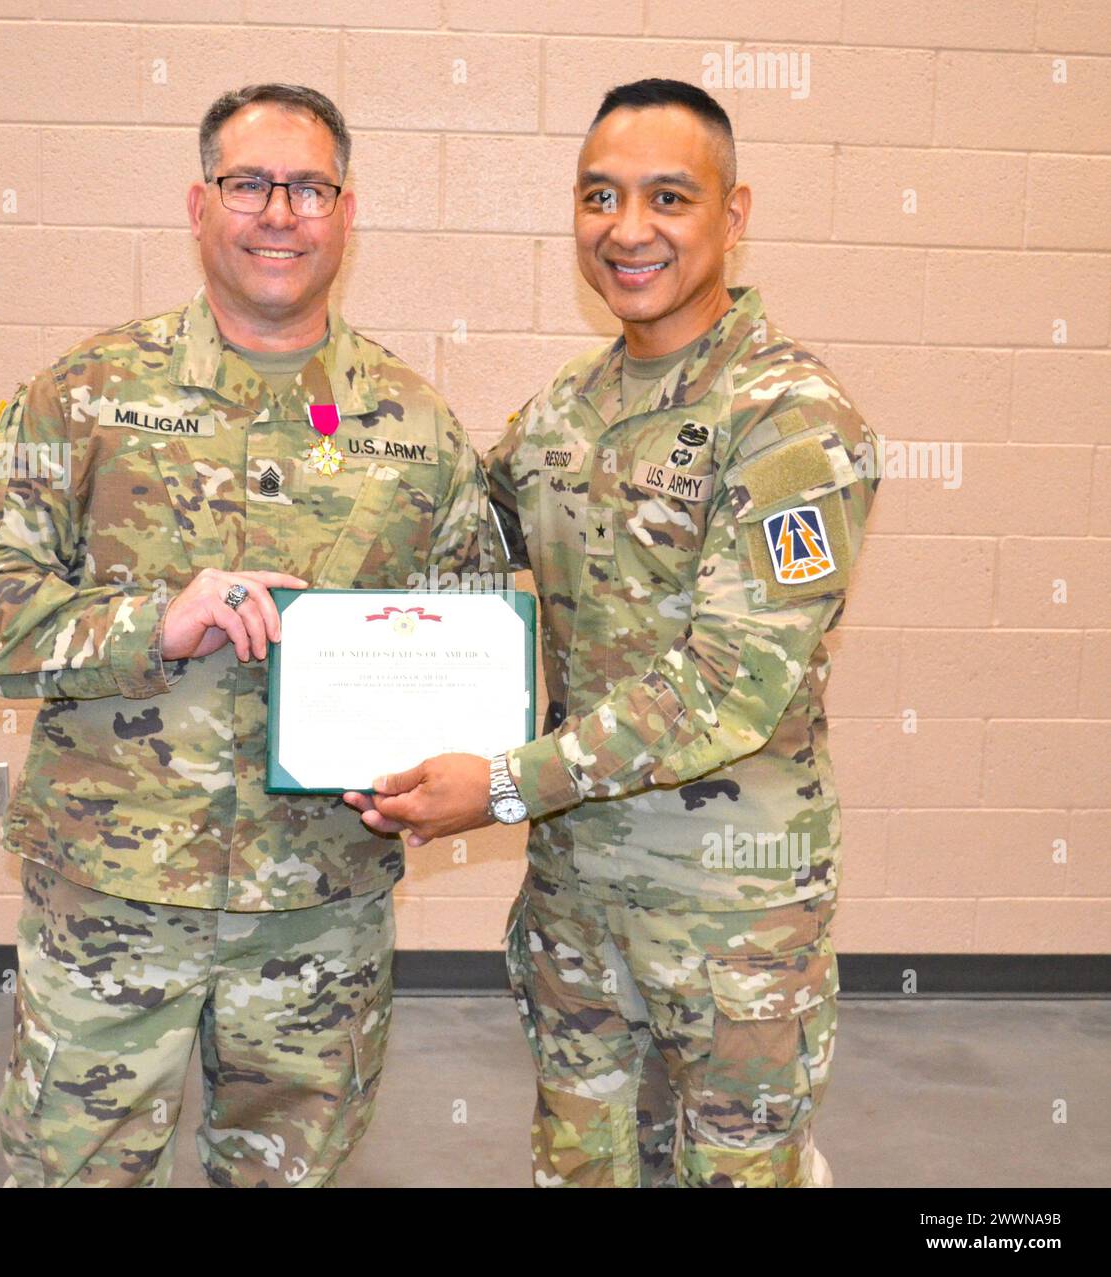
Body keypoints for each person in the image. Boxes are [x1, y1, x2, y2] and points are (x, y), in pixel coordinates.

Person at [0, 83, 492, 1188]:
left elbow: (467, 639)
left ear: (345, 211)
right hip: (111, 904)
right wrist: (147, 623)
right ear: (198, 202)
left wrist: (443, 772)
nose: (280, 210)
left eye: (309, 186)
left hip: (318, 912)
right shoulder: (85, 396)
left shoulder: (417, 428)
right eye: (248, 184)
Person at [347, 78, 879, 1188]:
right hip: (577, 898)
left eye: (667, 197)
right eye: (599, 196)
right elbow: (449, 551)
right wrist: (311, 461)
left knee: (739, 1170)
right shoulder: (561, 414)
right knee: (581, 1163)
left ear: (732, 215)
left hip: (730, 908)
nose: (626, 229)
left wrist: (497, 784)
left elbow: (731, 685)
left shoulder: (788, 418)